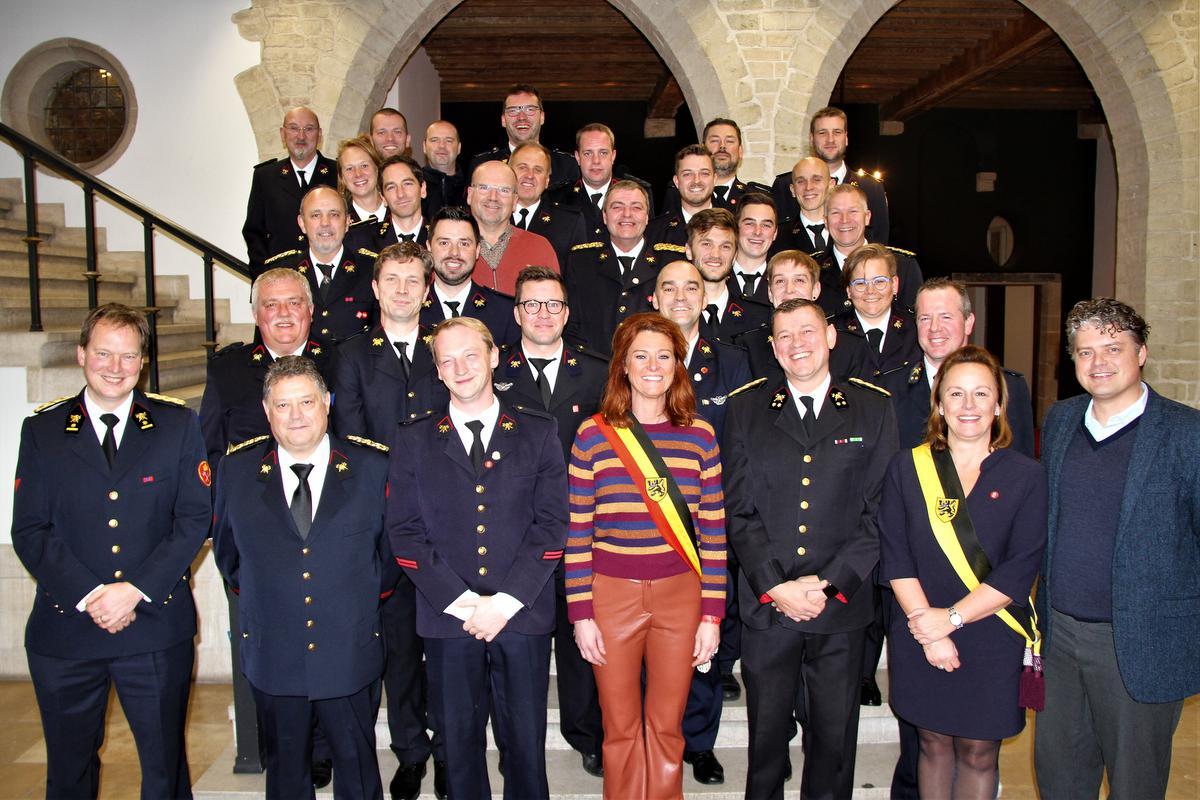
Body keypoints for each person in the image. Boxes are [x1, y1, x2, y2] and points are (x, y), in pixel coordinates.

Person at [13, 303, 211, 799]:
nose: (115, 367)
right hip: (67, 629)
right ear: (82, 354)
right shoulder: (42, 430)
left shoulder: (176, 424)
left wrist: (134, 590)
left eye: (128, 356)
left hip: (154, 625)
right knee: (69, 770)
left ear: (142, 362)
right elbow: (30, 529)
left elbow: (193, 519)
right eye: (104, 353)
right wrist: (91, 595)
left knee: (164, 769)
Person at [722, 298, 898, 800]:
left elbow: (880, 511)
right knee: (766, 741)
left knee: (834, 742)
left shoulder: (872, 407)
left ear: (831, 337)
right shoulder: (746, 408)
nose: (797, 344)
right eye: (785, 336)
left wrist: (830, 583)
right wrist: (775, 585)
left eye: (807, 332)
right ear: (774, 348)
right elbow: (738, 508)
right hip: (769, 605)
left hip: (840, 605)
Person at [387, 316, 568, 800]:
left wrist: (504, 603)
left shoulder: (537, 431)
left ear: (493, 357)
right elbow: (405, 531)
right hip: (450, 619)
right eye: (447, 361)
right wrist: (465, 604)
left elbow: (552, 523)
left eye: (470, 355)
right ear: (437, 372)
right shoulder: (415, 438)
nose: (461, 368)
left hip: (521, 613)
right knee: (458, 746)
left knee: (525, 745)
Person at [1035, 299, 1200, 798]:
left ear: (1141, 353)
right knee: (1060, 779)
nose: (1099, 362)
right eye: (1086, 352)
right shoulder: (1061, 420)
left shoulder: (1186, 433)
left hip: (1140, 642)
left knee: (1135, 784)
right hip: (1061, 637)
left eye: (1113, 348)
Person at [213, 356, 397, 800]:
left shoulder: (372, 467)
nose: (295, 416)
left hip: (348, 647)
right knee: (285, 771)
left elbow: (389, 558)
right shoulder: (236, 471)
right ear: (266, 411)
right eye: (283, 405)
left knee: (357, 767)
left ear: (327, 403)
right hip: (274, 650)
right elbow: (229, 556)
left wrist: (354, 603)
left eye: (307, 402)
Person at [567, 312, 726, 800]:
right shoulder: (592, 435)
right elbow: (578, 532)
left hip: (681, 598)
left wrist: (711, 616)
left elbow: (714, 534)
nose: (653, 366)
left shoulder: (701, 436)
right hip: (611, 597)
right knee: (619, 728)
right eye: (641, 356)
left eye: (664, 356)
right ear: (623, 366)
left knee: (667, 727)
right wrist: (581, 615)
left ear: (678, 366)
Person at [878, 345, 1047, 799]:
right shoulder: (907, 467)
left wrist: (951, 620)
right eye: (955, 393)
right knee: (931, 744)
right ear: (939, 404)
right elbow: (896, 556)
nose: (968, 405)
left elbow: (1020, 568)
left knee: (978, 752)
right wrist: (930, 630)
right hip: (919, 628)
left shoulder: (1027, 476)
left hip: (991, 630)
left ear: (999, 404)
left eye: (981, 394)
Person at [332, 243, 449, 799]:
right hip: (382, 524)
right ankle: (411, 752)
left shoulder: (446, 345)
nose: (403, 290)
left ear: (427, 291)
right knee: (399, 646)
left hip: (446, 520)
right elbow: (352, 442)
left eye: (413, 281)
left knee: (447, 648)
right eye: (392, 280)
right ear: (376, 289)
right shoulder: (352, 355)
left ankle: (450, 750)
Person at [493, 265, 609, 777]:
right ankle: (517, 745)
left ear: (566, 313)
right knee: (518, 651)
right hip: (512, 536)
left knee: (582, 639)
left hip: (584, 531)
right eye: (532, 304)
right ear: (517, 313)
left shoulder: (599, 372)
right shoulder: (492, 370)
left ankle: (586, 734)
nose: (543, 314)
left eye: (553, 304)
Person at [563, 180, 680, 355]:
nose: (627, 214)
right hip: (594, 366)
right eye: (617, 207)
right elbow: (570, 326)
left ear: (647, 217)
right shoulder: (580, 262)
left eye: (636, 207)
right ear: (604, 216)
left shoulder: (670, 263)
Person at [262, 185, 378, 342]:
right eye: (316, 215)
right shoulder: (279, 272)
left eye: (334, 214)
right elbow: (265, 337)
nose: (325, 223)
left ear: (347, 222)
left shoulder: (372, 269)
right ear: (302, 223)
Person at [732, 250, 870, 382]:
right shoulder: (748, 349)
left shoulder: (851, 347)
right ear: (770, 292)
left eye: (799, 280)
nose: (789, 290)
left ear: (815, 289)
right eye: (780, 281)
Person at [771, 107, 890, 245]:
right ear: (811, 139)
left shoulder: (871, 188)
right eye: (822, 133)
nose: (830, 139)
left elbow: (879, 243)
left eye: (837, 132)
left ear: (846, 138)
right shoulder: (785, 185)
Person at [244, 106, 337, 274]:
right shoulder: (265, 176)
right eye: (294, 128)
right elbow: (254, 232)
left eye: (309, 129)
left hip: (328, 275)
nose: (301, 136)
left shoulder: (338, 173)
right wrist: (264, 274)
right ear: (283, 133)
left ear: (319, 134)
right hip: (281, 276)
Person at [420, 206, 520, 348]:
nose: (454, 252)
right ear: (429, 247)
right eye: (444, 243)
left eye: (464, 243)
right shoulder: (412, 308)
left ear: (478, 250)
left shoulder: (505, 311)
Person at [813, 184, 921, 316]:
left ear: (867, 217)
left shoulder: (904, 267)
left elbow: (916, 321)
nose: (844, 220)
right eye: (836, 213)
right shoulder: (812, 271)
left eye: (853, 211)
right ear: (825, 221)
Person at [468, 160, 560, 294]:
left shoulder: (540, 247)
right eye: (484, 188)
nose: (493, 197)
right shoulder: (448, 247)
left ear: (515, 201)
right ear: (470, 194)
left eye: (504, 190)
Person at [830, 243, 920, 379]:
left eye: (879, 282)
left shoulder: (916, 331)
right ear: (849, 290)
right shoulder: (832, 333)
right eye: (860, 283)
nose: (870, 291)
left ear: (894, 284)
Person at [467, 84, 580, 191]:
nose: (521, 117)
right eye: (513, 110)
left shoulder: (566, 165)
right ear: (503, 120)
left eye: (530, 110)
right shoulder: (482, 164)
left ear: (542, 117)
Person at [686, 208, 771, 343]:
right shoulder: (672, 315)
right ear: (689, 250)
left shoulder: (761, 318)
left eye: (725, 246)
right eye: (706, 244)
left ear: (735, 254)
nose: (715, 254)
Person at [662, 118, 768, 213]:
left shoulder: (757, 198)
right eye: (714, 141)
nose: (722, 146)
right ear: (703, 148)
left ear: (740, 151)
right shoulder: (678, 193)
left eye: (729, 141)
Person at [509, 142, 589, 266]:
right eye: (522, 167)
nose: (529, 175)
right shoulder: (489, 216)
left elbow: (578, 273)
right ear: (508, 174)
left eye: (538, 170)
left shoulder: (570, 222)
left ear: (547, 180)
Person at [644, 145, 716, 249]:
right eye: (687, 174)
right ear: (676, 181)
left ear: (714, 179)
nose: (696, 180)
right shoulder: (652, 232)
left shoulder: (733, 228)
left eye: (704, 173)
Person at [772, 156, 832, 255]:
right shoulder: (777, 236)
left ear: (831, 185)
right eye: (800, 181)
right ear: (792, 190)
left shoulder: (847, 228)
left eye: (816, 180)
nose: (808, 187)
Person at [730, 193, 777, 303]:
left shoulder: (782, 282)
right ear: (735, 228)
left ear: (775, 233)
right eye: (749, 224)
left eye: (766, 225)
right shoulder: (715, 277)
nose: (757, 232)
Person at [421, 120, 466, 218]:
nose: (441, 146)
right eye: (434, 140)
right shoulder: (413, 184)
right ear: (424, 146)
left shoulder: (471, 186)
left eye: (449, 141)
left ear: (459, 148)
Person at [338, 136, 387, 225]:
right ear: (342, 178)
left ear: (377, 169)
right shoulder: (340, 223)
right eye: (349, 168)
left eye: (364, 166)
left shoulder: (399, 210)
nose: (358, 174)